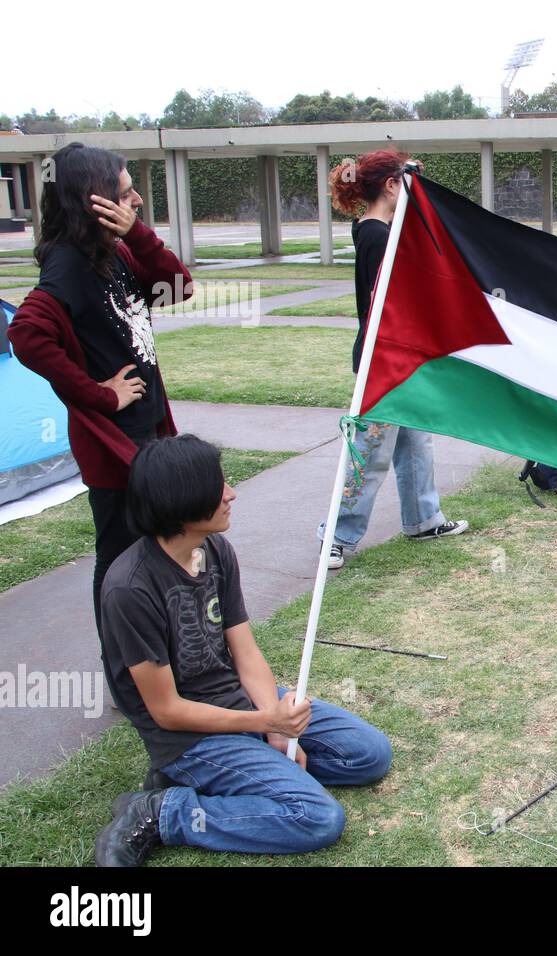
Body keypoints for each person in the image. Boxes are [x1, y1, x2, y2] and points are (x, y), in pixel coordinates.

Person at [93, 435, 392, 866]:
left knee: (369, 755)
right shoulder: (130, 589)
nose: (231, 493)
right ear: (182, 499)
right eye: (218, 486)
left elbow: (245, 649)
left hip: (240, 704)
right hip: (189, 737)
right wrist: (264, 719)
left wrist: (276, 723)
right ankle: (161, 812)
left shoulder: (214, 549)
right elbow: (167, 711)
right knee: (316, 817)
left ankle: (230, 777)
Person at [8, 143, 189, 647]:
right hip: (114, 446)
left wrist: (137, 233)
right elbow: (26, 334)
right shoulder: (69, 265)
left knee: (156, 549)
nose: (136, 204)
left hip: (147, 432)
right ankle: (127, 670)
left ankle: (160, 653)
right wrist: (100, 395)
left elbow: (178, 286)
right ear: (94, 203)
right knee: (121, 560)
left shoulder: (118, 249)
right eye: (126, 195)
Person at [318, 150, 468, 569]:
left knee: (415, 441)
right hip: (383, 361)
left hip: (401, 358)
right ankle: (336, 534)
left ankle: (423, 518)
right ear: (390, 186)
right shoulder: (376, 236)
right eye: (406, 181)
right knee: (370, 451)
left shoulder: (372, 228)